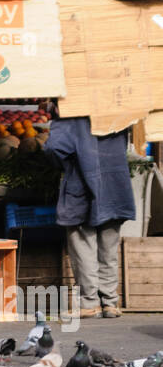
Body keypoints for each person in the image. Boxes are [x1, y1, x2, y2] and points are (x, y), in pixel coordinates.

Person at [42, 116, 135, 318]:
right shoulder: (117, 110)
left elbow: (54, 148)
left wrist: (68, 165)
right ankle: (110, 302)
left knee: (83, 245)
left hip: (81, 185)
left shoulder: (71, 115)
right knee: (109, 247)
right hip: (115, 185)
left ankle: (89, 302)